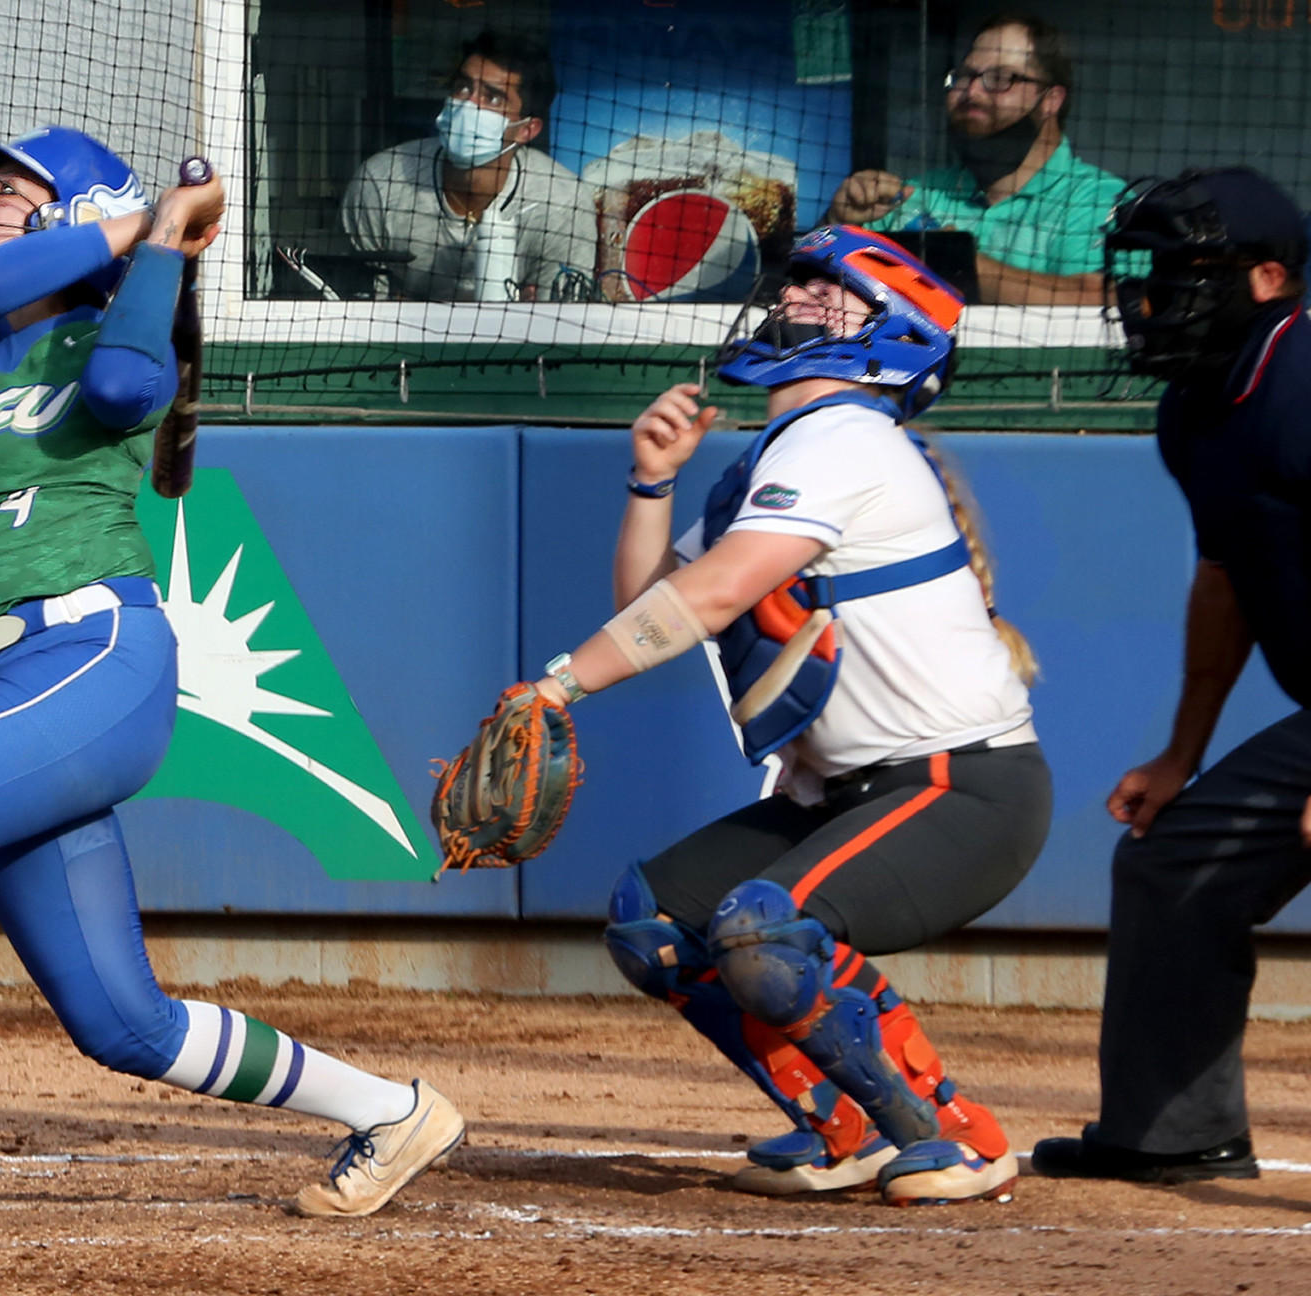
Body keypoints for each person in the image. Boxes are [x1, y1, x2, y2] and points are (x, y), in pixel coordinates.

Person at [0, 126, 464, 1224]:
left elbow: (133, 390)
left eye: (9, 187)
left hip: (91, 657)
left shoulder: (109, 336)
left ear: (74, 216)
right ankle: (392, 1109)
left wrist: (157, 257)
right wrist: (149, 228)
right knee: (120, 1025)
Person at [512, 226, 1050, 1204]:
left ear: (889, 333)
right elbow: (651, 602)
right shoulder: (779, 451)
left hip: (958, 788)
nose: (795, 296)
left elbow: (712, 598)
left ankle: (951, 1132)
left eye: (825, 288)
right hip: (841, 795)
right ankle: (842, 1123)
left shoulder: (846, 435)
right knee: (655, 920)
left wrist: (559, 683)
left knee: (764, 928)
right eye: (796, 281)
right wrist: (651, 482)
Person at [1032, 169, 1311, 1187]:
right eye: (1144, 274)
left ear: (1269, 278)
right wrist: (1180, 752)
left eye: (1187, 272)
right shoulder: (1194, 410)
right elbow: (1224, 575)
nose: (1149, 299)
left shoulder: (1300, 383)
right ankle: (1173, 1132)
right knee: (1172, 865)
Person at [826, 13, 1124, 306]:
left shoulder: (1100, 200)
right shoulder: (912, 196)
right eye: (962, 77)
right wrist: (835, 224)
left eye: (999, 78)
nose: (970, 92)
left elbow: (1108, 297)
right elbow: (820, 287)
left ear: (1050, 100)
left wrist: (957, 263)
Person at [340, 30, 587, 302]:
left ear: (527, 130)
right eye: (463, 87)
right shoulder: (381, 183)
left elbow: (555, 321)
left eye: (493, 98)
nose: (468, 105)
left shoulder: (564, 202)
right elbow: (362, 311)